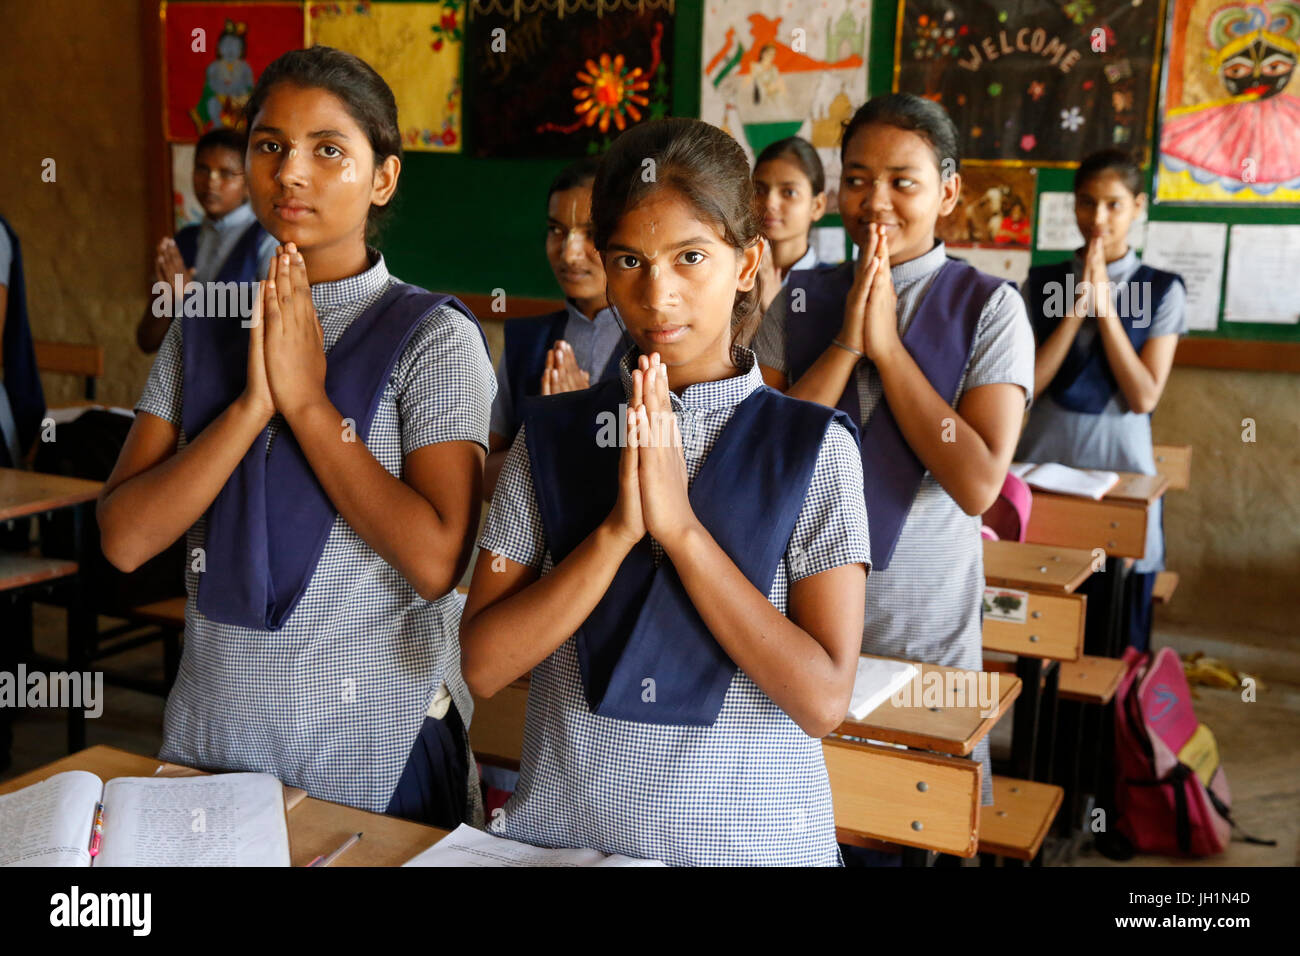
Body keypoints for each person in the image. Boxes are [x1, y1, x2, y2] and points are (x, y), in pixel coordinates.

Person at [98, 46, 494, 826]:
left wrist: (308, 406)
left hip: (374, 750)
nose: (291, 173)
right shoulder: (204, 325)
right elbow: (123, 538)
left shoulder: (433, 337)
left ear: (383, 177)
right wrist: (251, 405)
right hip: (214, 739)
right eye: (269, 145)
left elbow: (437, 562)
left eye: (329, 150)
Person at [461, 117, 870, 865]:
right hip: (565, 839)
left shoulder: (815, 450)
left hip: (747, 849)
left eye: (691, 257)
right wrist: (618, 533)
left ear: (747, 263)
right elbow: (484, 665)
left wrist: (680, 531)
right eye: (630, 260)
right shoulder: (548, 437)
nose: (658, 294)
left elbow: (822, 701)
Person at [752, 93, 1035, 807]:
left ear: (947, 191)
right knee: (805, 824)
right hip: (797, 633)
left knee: (912, 821)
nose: (874, 201)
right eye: (856, 178)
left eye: (902, 182)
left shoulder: (989, 307)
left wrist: (888, 348)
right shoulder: (802, 300)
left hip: (923, 635)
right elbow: (763, 458)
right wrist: (848, 342)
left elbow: (976, 483)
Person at [1016, 149, 1186, 653]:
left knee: (1115, 640)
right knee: (1043, 634)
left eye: (1113, 205)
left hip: (1122, 481)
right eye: (1086, 203)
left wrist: (1106, 307)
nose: (1098, 218)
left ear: (1138, 206)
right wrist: (1074, 308)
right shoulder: (1044, 282)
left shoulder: (1161, 289)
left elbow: (1143, 394)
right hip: (1044, 471)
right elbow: (1027, 387)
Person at [484, 157, 629, 500]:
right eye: (556, 230)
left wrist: (577, 426)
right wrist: (553, 442)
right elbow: (481, 473)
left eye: (591, 233)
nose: (569, 253)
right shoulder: (526, 341)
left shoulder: (660, 344)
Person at [137, 127, 277, 354]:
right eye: (202, 169)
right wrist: (168, 297)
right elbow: (147, 341)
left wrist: (188, 296)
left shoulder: (267, 241)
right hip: (189, 381)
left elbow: (269, 335)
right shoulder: (184, 242)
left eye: (226, 173)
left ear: (248, 183)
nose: (211, 182)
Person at [752, 136, 828, 316]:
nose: (770, 202)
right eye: (759, 190)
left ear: (817, 206)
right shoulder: (735, 276)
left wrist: (773, 309)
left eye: (789, 192)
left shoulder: (834, 286)